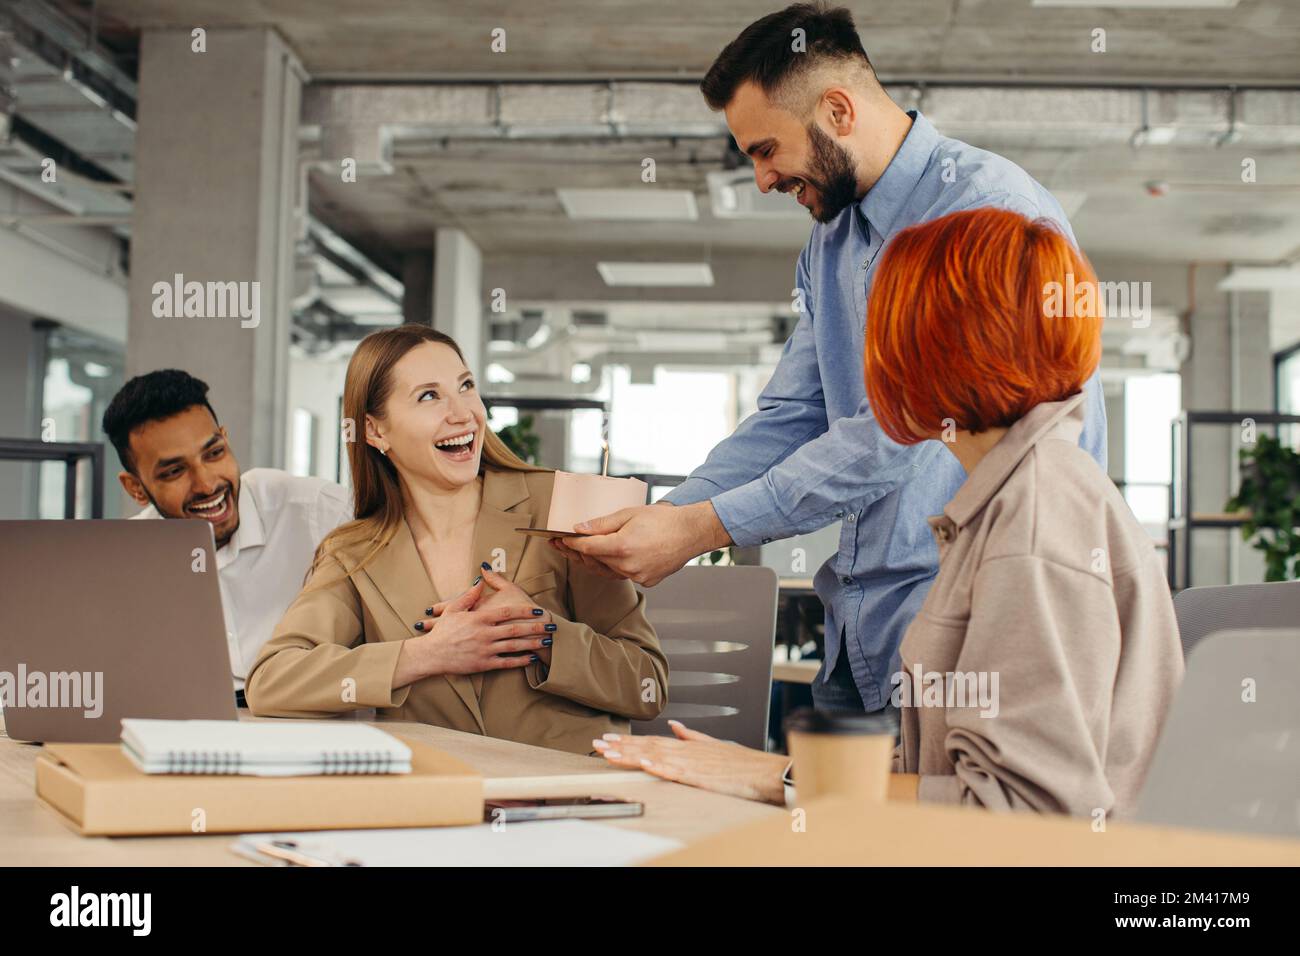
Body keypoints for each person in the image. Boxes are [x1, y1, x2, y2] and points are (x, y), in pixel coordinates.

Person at [558, 3, 1108, 717]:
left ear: (839, 111)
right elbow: (795, 413)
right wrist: (667, 518)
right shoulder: (832, 238)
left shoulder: (986, 213)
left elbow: (906, 430)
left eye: (764, 150)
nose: (761, 179)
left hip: (969, 624)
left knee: (943, 821)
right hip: (861, 621)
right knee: (839, 820)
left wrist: (703, 529)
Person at [594, 208, 1184, 818]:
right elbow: (944, 772)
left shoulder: (1036, 515)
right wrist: (782, 777)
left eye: (883, 329)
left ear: (934, 348)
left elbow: (1023, 817)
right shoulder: (1015, 493)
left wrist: (779, 778)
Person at [245, 325, 668, 755]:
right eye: (429, 396)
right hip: (440, 798)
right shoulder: (355, 552)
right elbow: (272, 682)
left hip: (566, 792)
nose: (462, 412)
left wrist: (543, 632)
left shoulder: (561, 505)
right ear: (374, 431)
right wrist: (426, 655)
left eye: (466, 386)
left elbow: (646, 686)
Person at [103, 369, 352, 698]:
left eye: (214, 453)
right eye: (175, 471)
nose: (207, 484)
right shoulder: (119, 563)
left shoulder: (320, 513)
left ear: (225, 439)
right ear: (136, 488)